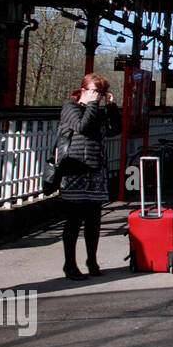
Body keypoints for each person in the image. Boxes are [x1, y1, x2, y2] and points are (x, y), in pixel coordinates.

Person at [57, 73, 121, 281]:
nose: (98, 97)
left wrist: (111, 107)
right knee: (74, 220)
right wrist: (93, 104)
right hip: (76, 170)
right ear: (83, 90)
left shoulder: (98, 110)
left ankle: (91, 260)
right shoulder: (70, 107)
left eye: (101, 93)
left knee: (94, 220)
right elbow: (82, 127)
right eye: (95, 91)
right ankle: (70, 264)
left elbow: (114, 131)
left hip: (95, 171)